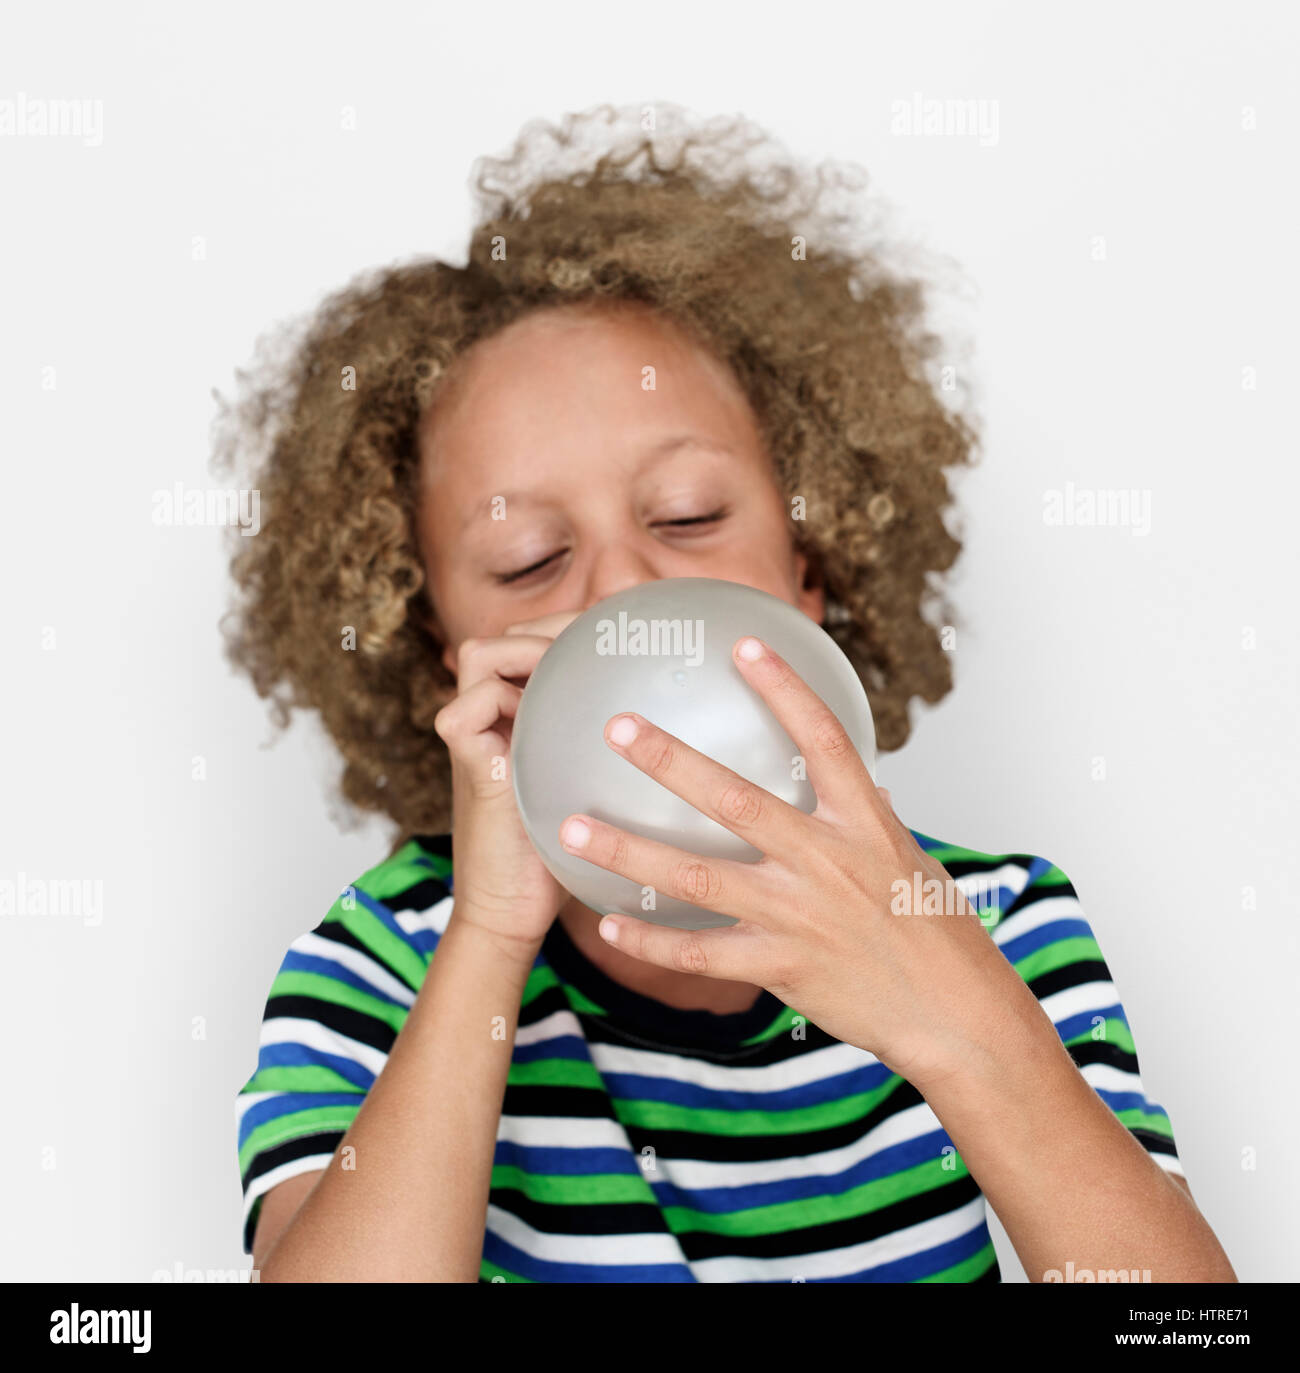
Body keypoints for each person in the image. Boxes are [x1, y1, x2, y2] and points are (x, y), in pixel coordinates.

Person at [219, 105, 1235, 1282]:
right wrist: (491, 939)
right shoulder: (378, 967)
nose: (621, 591)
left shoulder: (1002, 924)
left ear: (811, 572)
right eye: (528, 560)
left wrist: (951, 1013)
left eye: (688, 516)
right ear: (428, 639)